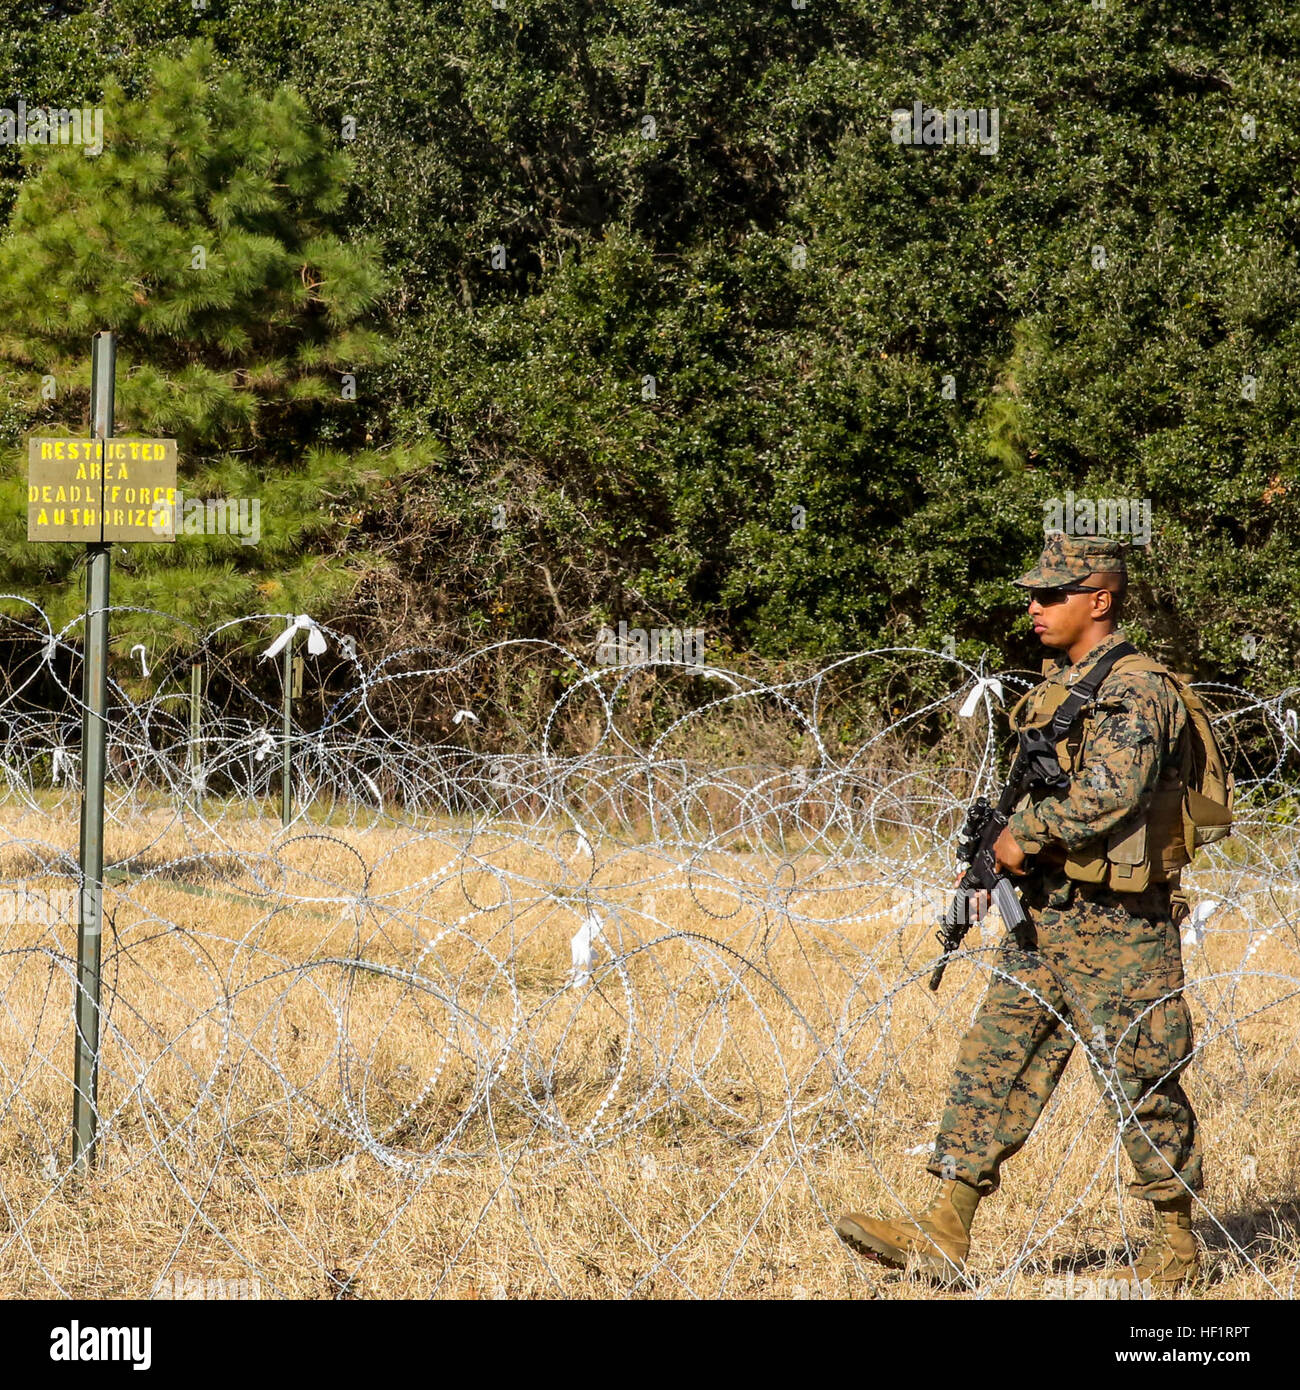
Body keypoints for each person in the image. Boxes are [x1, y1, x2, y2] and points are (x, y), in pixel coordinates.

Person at [837, 532, 1204, 1289]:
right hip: (1046, 917)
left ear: (1099, 600)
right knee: (993, 1066)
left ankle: (1177, 1246)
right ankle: (944, 1227)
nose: (1034, 609)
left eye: (1051, 596)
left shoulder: (1137, 688)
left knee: (1141, 1080)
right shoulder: (1059, 687)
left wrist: (1019, 840)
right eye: (1032, 596)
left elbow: (1111, 794)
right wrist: (998, 857)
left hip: (1121, 926)